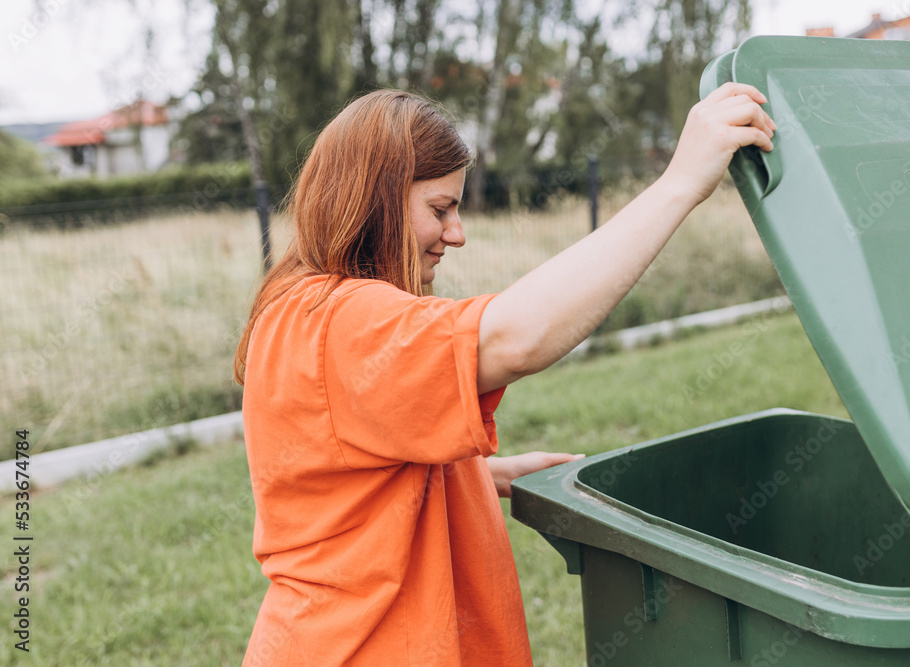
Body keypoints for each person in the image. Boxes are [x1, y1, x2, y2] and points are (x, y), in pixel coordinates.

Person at [235, 84, 775, 666]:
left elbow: (337, 472)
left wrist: (476, 475)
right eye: (439, 210)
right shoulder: (344, 322)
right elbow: (515, 337)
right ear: (374, 202)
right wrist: (679, 184)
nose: (457, 234)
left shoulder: (301, 306)